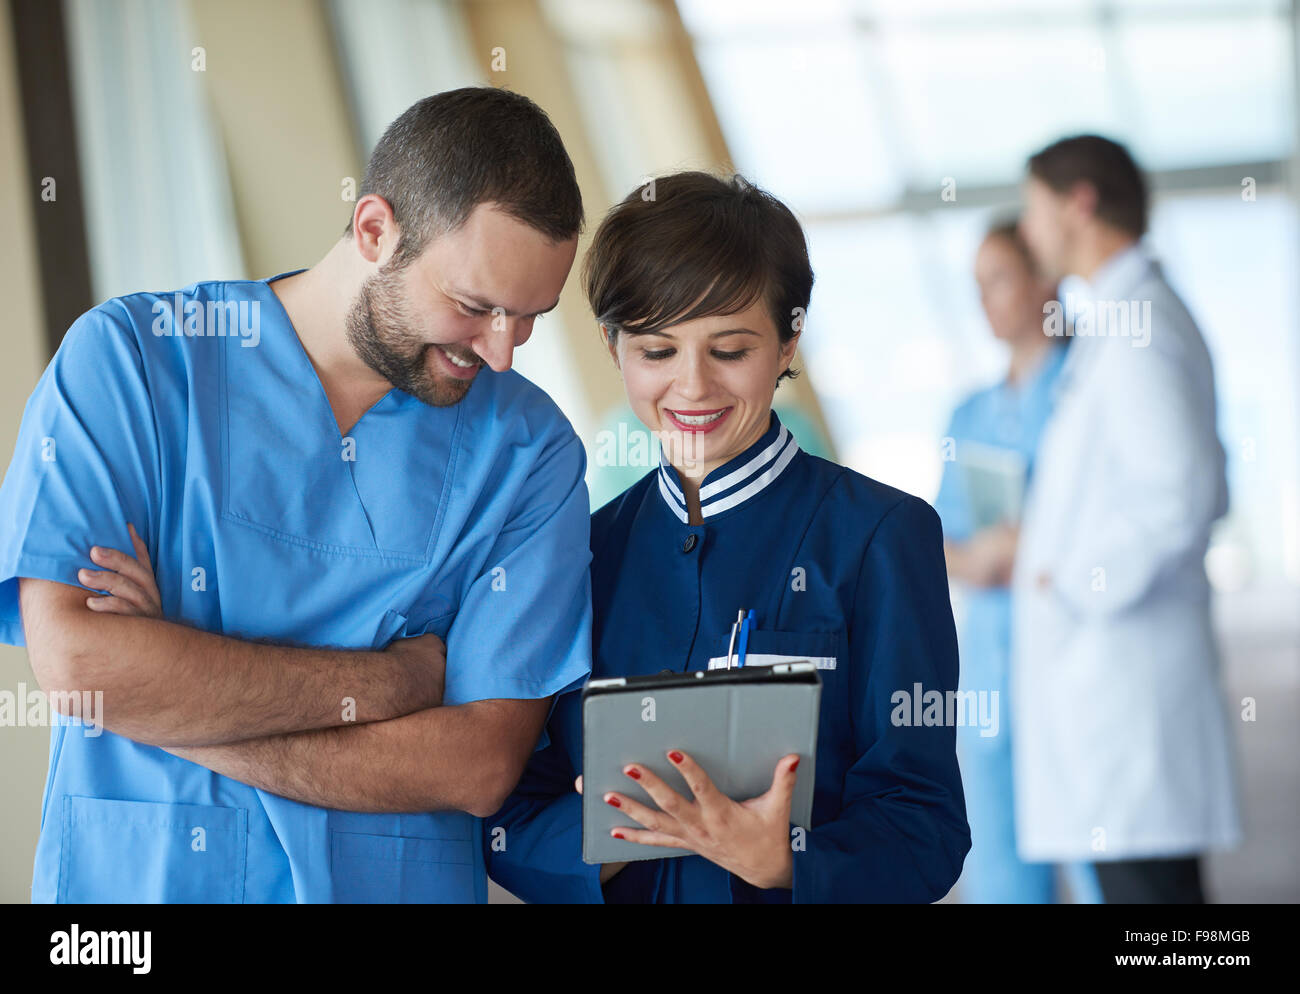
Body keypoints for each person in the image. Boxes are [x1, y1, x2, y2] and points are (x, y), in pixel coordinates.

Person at [0, 87, 594, 903]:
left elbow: (478, 765)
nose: (499, 354)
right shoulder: (132, 363)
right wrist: (391, 685)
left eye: (528, 319)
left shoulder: (529, 454)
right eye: (475, 307)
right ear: (375, 229)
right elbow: (80, 667)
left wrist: (170, 704)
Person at [487, 172, 971, 903]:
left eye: (730, 350)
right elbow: (507, 817)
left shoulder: (879, 538)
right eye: (656, 352)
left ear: (787, 341)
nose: (692, 387)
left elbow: (925, 822)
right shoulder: (575, 557)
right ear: (614, 347)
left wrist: (783, 864)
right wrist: (607, 838)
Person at [1012, 134, 1241, 903]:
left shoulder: (1139, 326)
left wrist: (1073, 582)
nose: (1028, 229)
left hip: (1125, 688)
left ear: (1079, 203)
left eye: (1033, 208)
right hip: (1111, 689)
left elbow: (1182, 492)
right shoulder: (1119, 319)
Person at [934, 220, 1100, 903]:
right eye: (975, 287)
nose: (985, 302)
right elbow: (940, 537)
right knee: (1000, 859)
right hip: (992, 663)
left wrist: (1023, 545)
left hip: (1074, 650)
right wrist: (982, 555)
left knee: (1098, 850)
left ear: (1044, 280)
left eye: (998, 280)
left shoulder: (1086, 388)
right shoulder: (969, 412)